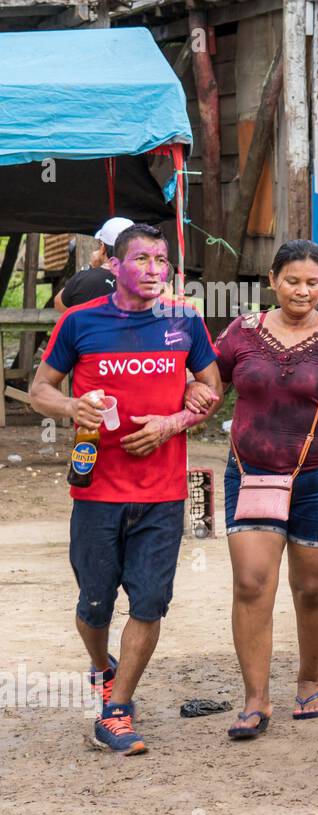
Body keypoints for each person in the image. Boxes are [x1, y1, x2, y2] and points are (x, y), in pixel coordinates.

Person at [30, 223, 222, 754]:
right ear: (113, 266)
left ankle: (117, 711)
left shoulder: (184, 320)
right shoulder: (80, 322)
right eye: (141, 260)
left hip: (163, 489)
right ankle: (101, 666)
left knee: (150, 602)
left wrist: (175, 420)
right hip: (96, 488)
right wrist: (71, 405)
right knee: (94, 604)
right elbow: (40, 389)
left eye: (162, 261)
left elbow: (212, 386)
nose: (154, 271)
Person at [215, 240, 318, 738]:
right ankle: (255, 698)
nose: (302, 291)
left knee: (312, 590)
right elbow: (205, 383)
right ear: (272, 280)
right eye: (292, 280)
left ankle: (310, 678)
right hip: (251, 473)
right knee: (250, 584)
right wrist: (178, 407)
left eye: (312, 282)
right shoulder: (240, 333)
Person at [52, 217, 132, 310]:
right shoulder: (147, 278)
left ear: (102, 247)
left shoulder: (83, 279)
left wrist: (89, 267)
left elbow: (59, 305)